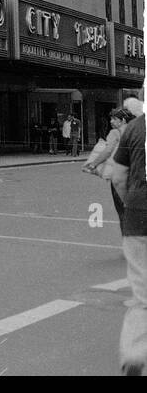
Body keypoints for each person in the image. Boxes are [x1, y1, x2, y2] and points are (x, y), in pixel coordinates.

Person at [108, 102, 147, 375]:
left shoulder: (134, 128)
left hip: (138, 216)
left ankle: (134, 352)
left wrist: (130, 204)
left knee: (143, 296)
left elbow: (118, 177)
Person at [84, 108, 133, 226]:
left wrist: (93, 164)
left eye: (114, 119)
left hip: (119, 176)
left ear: (123, 120)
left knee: (122, 210)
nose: (111, 121)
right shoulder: (136, 131)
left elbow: (107, 151)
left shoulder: (115, 133)